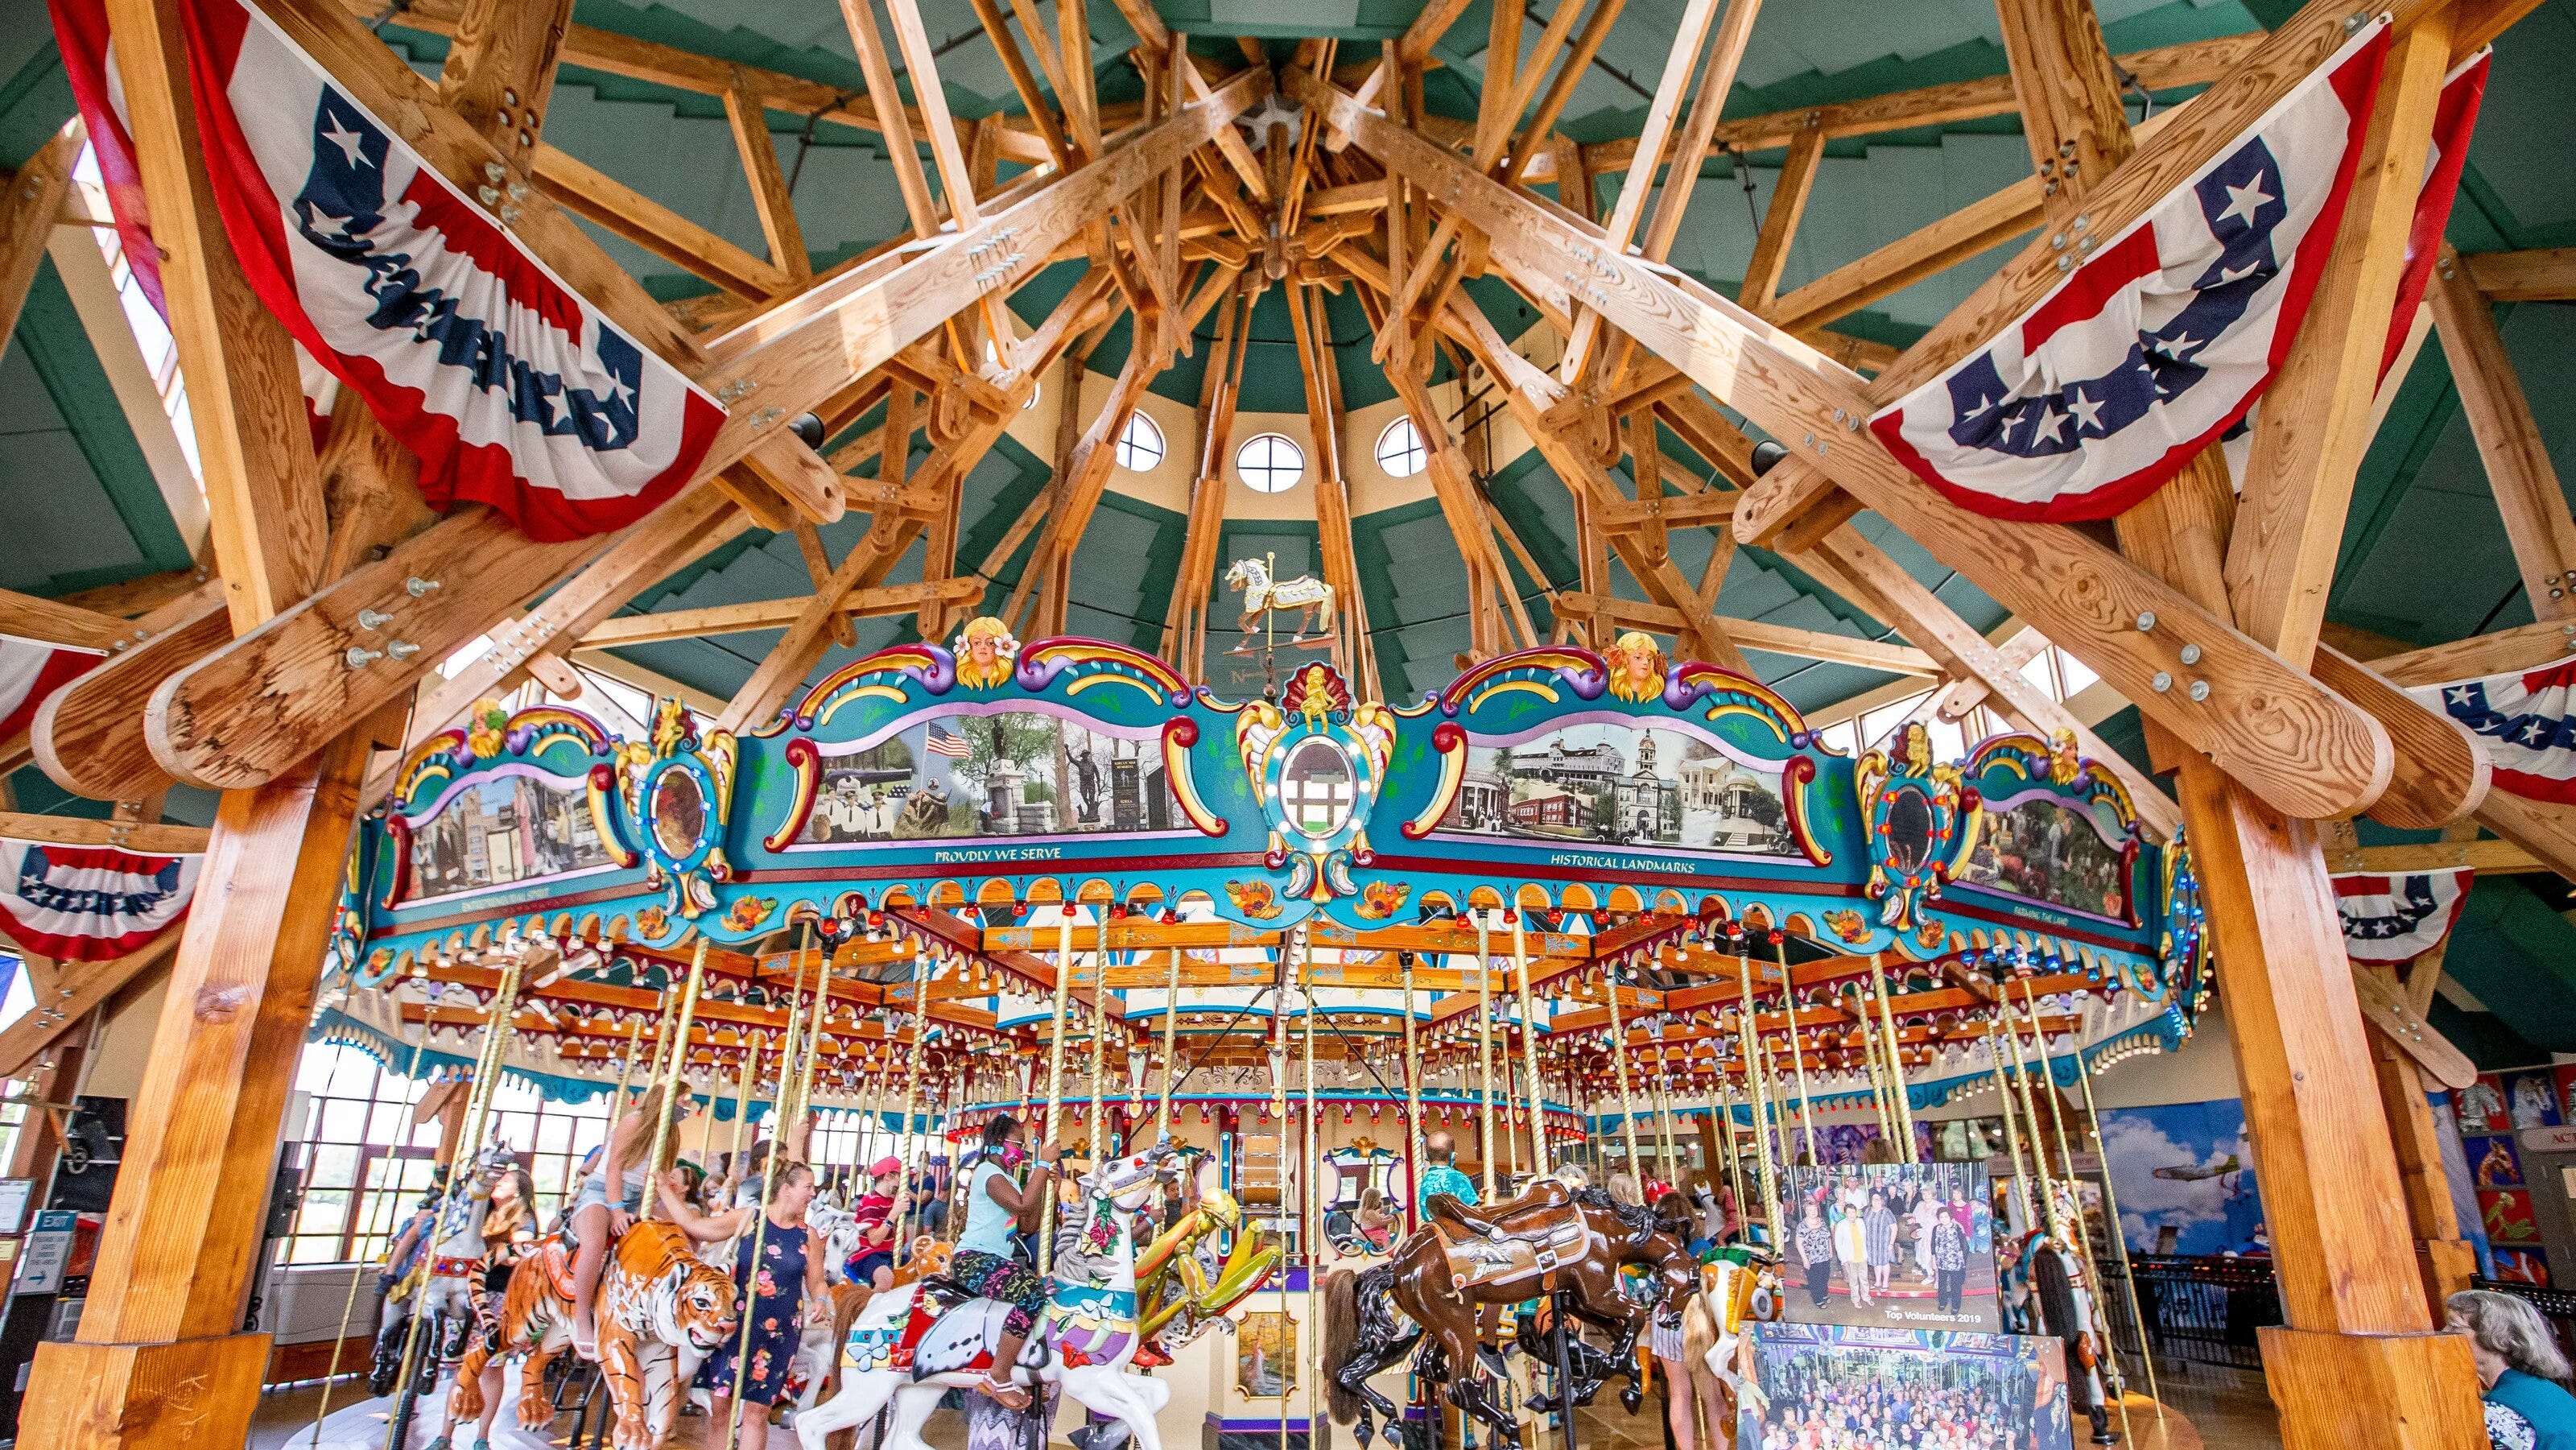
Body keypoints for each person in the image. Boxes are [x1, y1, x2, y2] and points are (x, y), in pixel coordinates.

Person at [699, 1160, 828, 1450]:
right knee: (722, 1409)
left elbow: (817, 1280)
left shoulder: (808, 1235)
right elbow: (699, 1228)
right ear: (786, 1190)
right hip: (738, 1322)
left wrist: (820, 1298)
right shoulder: (749, 1219)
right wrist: (664, 1191)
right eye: (808, 1187)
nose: (812, 1193)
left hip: (780, 1331)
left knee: (757, 1412)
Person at [568, 1084, 697, 1359]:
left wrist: (659, 1201)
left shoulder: (671, 1133)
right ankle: (581, 1319)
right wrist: (616, 1210)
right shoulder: (634, 1122)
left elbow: (657, 1174)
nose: (687, 1106)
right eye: (684, 1100)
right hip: (603, 1191)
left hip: (641, 1197)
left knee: (680, 1236)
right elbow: (614, 1166)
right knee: (594, 1244)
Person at [952, 1113, 1061, 1410]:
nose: (1022, 1152)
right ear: (999, 1143)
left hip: (996, 1260)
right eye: (1019, 1144)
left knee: (1047, 1290)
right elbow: (1022, 1205)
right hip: (974, 1259)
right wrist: (1041, 1165)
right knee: (1030, 1292)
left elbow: (1028, 1225)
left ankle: (1025, 1369)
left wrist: (1050, 1187)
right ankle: (998, 1374)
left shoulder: (1009, 1179)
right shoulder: (988, 1173)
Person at [460, 1167, 538, 1448]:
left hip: (498, 1297)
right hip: (468, 1292)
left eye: (504, 1181)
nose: (497, 1184)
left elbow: (520, 1252)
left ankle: (482, 1435)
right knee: (462, 1364)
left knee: (491, 1368)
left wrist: (507, 1250)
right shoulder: (478, 1214)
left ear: (517, 1191)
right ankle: (445, 1434)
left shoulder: (524, 1220)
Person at [2448, 1290, 2576, 1450]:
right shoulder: (2550, 1392)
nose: (2444, 1332)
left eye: (2453, 1325)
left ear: (2495, 1335)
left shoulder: (2499, 1409)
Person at [844, 1155, 910, 1291]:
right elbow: (874, 1240)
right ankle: (868, 1308)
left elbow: (901, 1241)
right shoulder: (870, 1201)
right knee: (886, 1279)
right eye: (901, 1178)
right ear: (888, 1176)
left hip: (887, 1254)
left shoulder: (892, 1202)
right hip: (866, 1255)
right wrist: (894, 1214)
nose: (904, 1185)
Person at [1931, 1188, 1971, 1316]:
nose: (1943, 1219)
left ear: (1950, 1217)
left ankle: (1956, 1305)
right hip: (1941, 1261)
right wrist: (1933, 1259)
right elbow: (1933, 1245)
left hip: (1955, 1262)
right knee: (1942, 1284)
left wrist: (1962, 1260)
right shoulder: (1936, 1229)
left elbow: (1965, 1246)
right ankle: (1942, 1302)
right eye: (1941, 1217)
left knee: (1955, 1285)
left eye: (1946, 1216)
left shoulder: (1957, 1228)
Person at [1796, 1199, 1834, 1309]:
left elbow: (1827, 1236)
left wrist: (1830, 1250)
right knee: (1815, 1279)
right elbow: (1799, 1244)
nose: (1813, 1212)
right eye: (1810, 1210)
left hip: (1824, 1256)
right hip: (1812, 1258)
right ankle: (1818, 1299)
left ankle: (1824, 1294)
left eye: (1815, 1209)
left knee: (1824, 1277)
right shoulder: (1802, 1226)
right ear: (1806, 1212)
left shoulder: (1821, 1221)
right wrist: (1805, 1260)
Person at [1354, 1186, 1397, 1254]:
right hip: (1372, 1232)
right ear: (1373, 1200)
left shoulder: (1370, 1211)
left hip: (1373, 1230)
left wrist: (1391, 1215)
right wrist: (1392, 1220)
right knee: (1386, 1240)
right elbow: (1379, 1223)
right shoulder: (1369, 1212)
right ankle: (1387, 1253)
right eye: (1378, 1199)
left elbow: (1382, 1219)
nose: (1379, 1201)